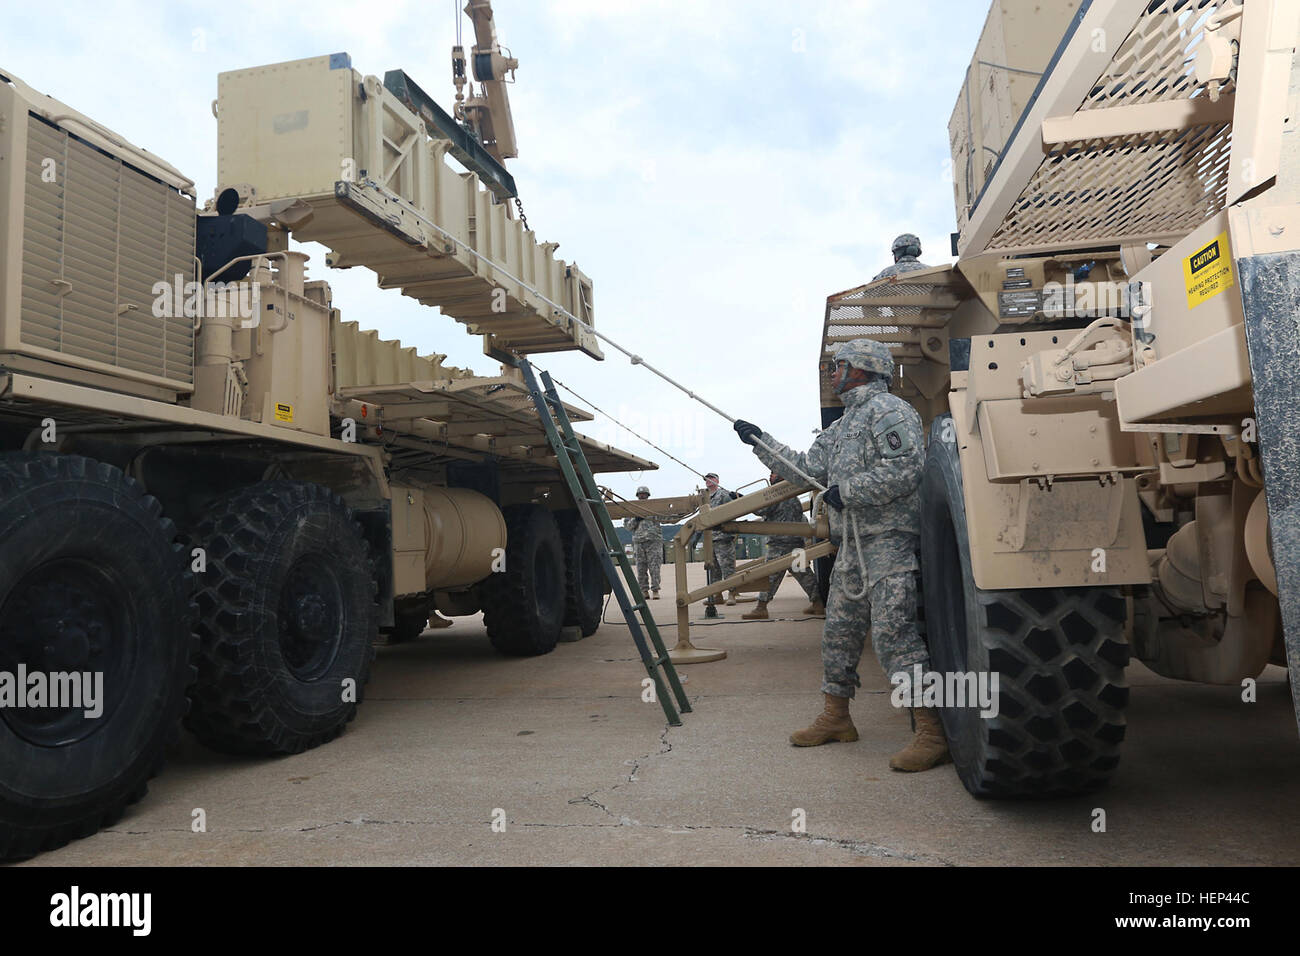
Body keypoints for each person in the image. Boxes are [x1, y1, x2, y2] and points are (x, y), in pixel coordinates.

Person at [732, 338, 949, 772]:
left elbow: (906, 469)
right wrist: (759, 441)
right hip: (850, 546)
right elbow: (806, 469)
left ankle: (931, 731)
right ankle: (836, 717)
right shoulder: (842, 425)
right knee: (838, 634)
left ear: (863, 368)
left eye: (839, 365)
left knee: (893, 635)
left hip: (888, 542)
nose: (833, 373)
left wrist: (847, 491)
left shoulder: (890, 411)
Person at [743, 473, 824, 620]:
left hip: (779, 544)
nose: (770, 476)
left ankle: (761, 608)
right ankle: (818, 604)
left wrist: (740, 499)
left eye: (773, 473)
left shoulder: (776, 496)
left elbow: (759, 509)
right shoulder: (793, 497)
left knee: (769, 575)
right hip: (795, 542)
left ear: (780, 476)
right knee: (804, 575)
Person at [703, 472, 739, 608]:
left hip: (723, 538)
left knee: (727, 568)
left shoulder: (723, 495)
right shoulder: (704, 497)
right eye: (706, 479)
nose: (708, 480)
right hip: (709, 539)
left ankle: (732, 594)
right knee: (713, 570)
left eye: (711, 478)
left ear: (717, 481)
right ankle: (716, 595)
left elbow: (733, 512)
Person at [623, 485, 664, 599]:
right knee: (641, 568)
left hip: (653, 541)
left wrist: (678, 513)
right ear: (637, 496)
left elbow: (665, 518)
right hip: (639, 542)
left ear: (648, 495)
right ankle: (644, 590)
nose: (642, 496)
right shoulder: (631, 508)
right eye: (640, 494)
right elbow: (628, 526)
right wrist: (635, 519)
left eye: (644, 494)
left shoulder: (654, 507)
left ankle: (655, 590)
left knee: (655, 567)